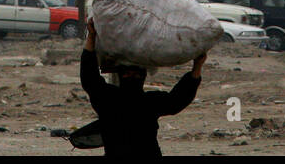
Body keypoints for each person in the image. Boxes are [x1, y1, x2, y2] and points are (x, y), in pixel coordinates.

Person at [79, 18, 204, 156]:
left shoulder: (108, 99)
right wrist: (197, 67)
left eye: (135, 73)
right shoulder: (147, 102)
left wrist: (91, 37)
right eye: (128, 73)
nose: (132, 76)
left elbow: (89, 78)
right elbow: (177, 99)